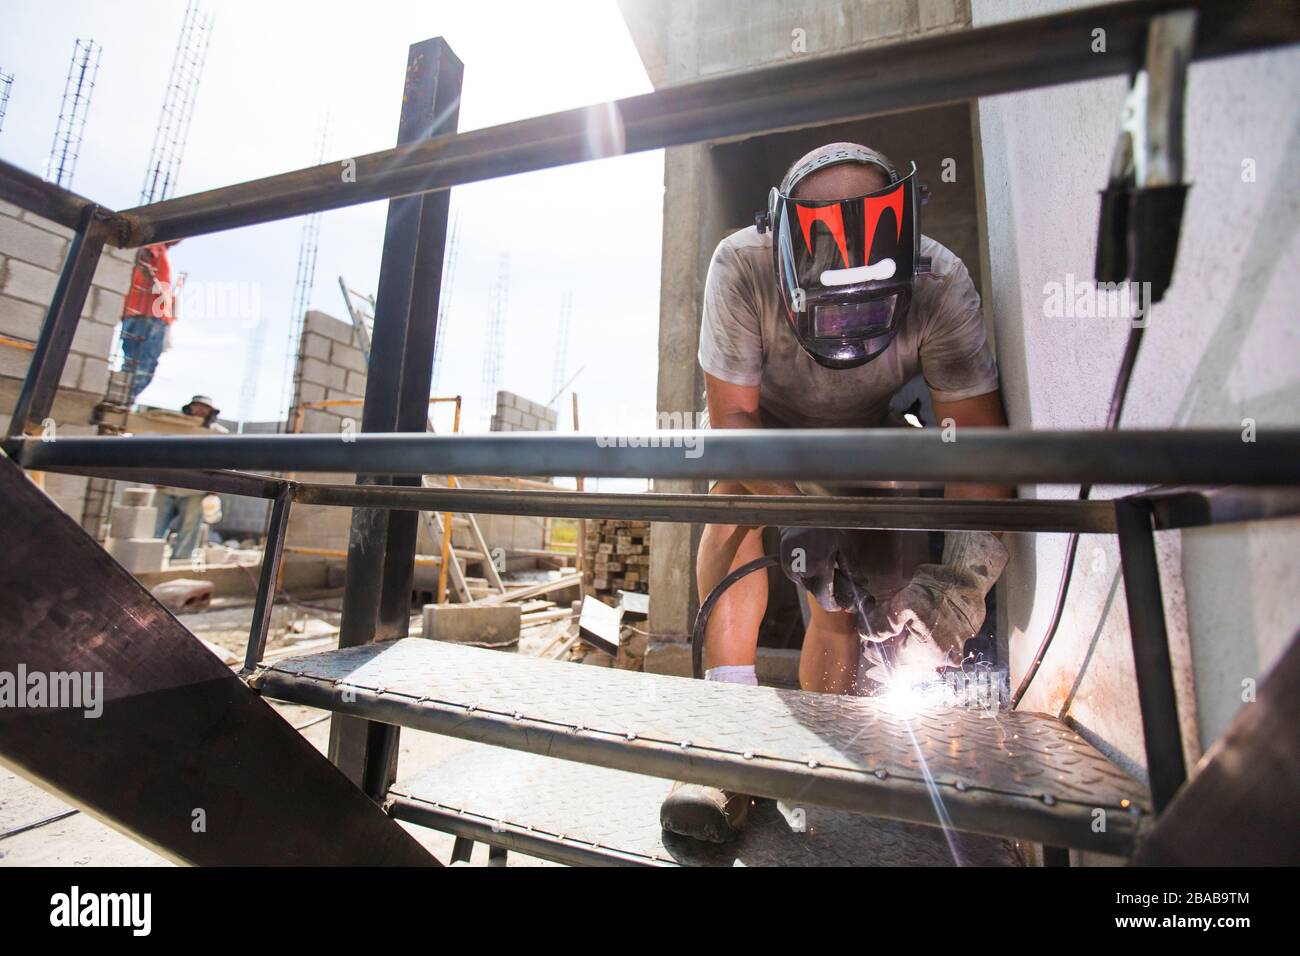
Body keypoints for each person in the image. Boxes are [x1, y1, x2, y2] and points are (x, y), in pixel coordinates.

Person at [659, 142, 1015, 843]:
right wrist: (798, 509)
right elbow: (732, 419)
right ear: (787, 256)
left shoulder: (940, 282)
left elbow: (979, 451)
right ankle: (727, 744)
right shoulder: (743, 264)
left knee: (841, 599)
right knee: (732, 511)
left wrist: (957, 592)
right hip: (766, 430)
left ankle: (827, 759)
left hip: (870, 439)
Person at [154, 395, 227, 564]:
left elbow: (222, 461)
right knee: (154, 527)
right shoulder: (176, 428)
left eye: (205, 407)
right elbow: (160, 452)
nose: (200, 410)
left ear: (211, 411)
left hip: (196, 489)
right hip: (167, 485)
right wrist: (156, 475)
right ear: (190, 408)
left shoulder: (218, 433)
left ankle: (179, 563)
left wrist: (215, 488)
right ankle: (149, 560)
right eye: (197, 406)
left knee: (189, 530)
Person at [120, 240, 181, 404]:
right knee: (144, 366)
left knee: (132, 364)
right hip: (148, 315)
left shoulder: (161, 250)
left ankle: (121, 397)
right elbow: (142, 258)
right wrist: (159, 291)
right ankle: (123, 400)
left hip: (138, 313)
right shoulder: (157, 245)